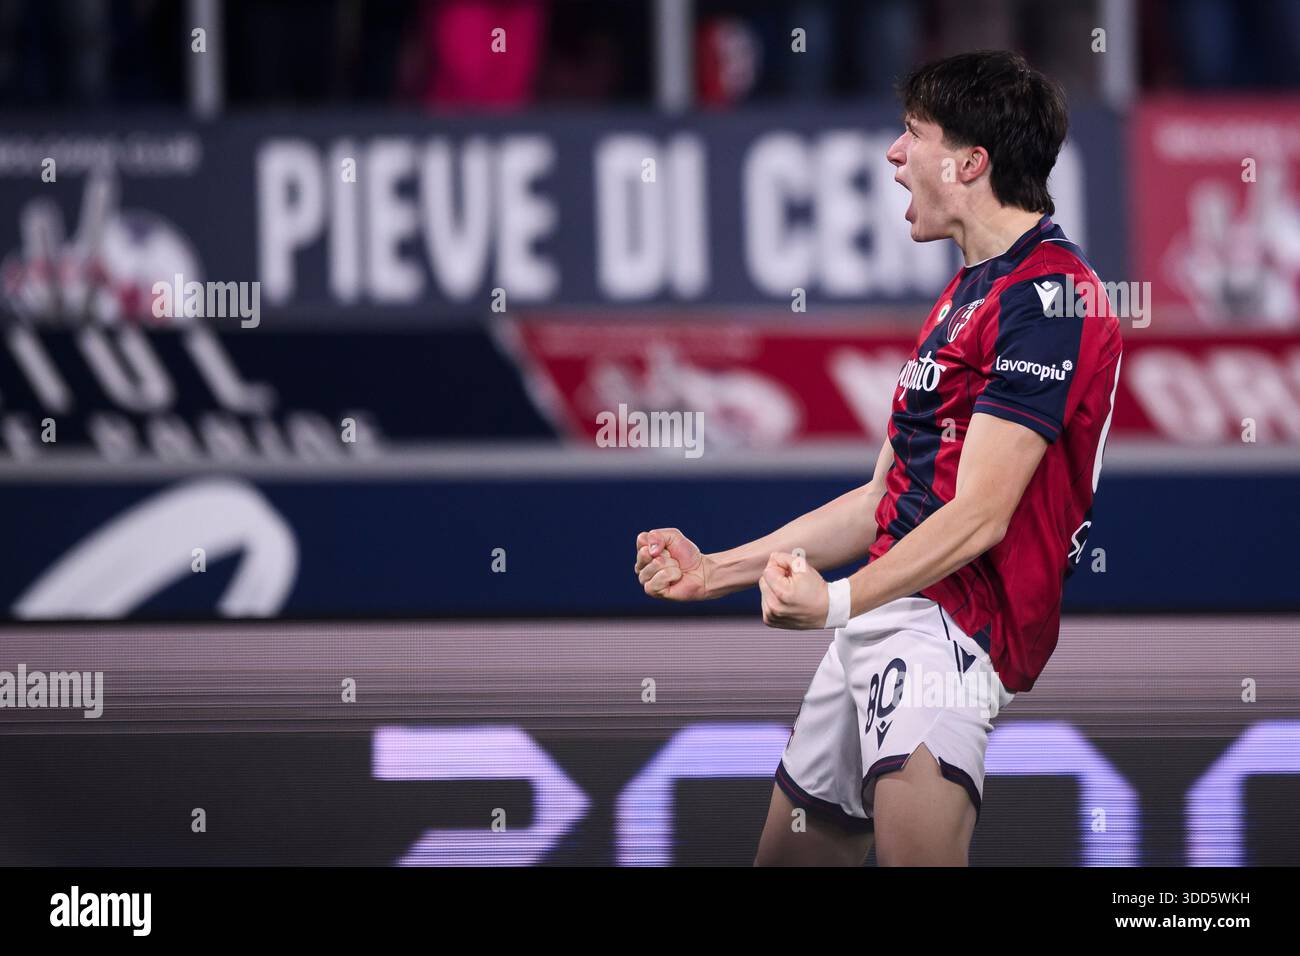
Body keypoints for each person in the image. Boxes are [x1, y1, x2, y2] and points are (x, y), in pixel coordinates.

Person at [633, 50, 1123, 866]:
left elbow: (980, 514)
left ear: (970, 163)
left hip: (949, 633)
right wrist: (714, 570)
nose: (893, 156)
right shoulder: (963, 295)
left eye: (912, 135)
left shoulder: (1051, 299)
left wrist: (832, 603)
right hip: (881, 617)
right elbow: (879, 502)